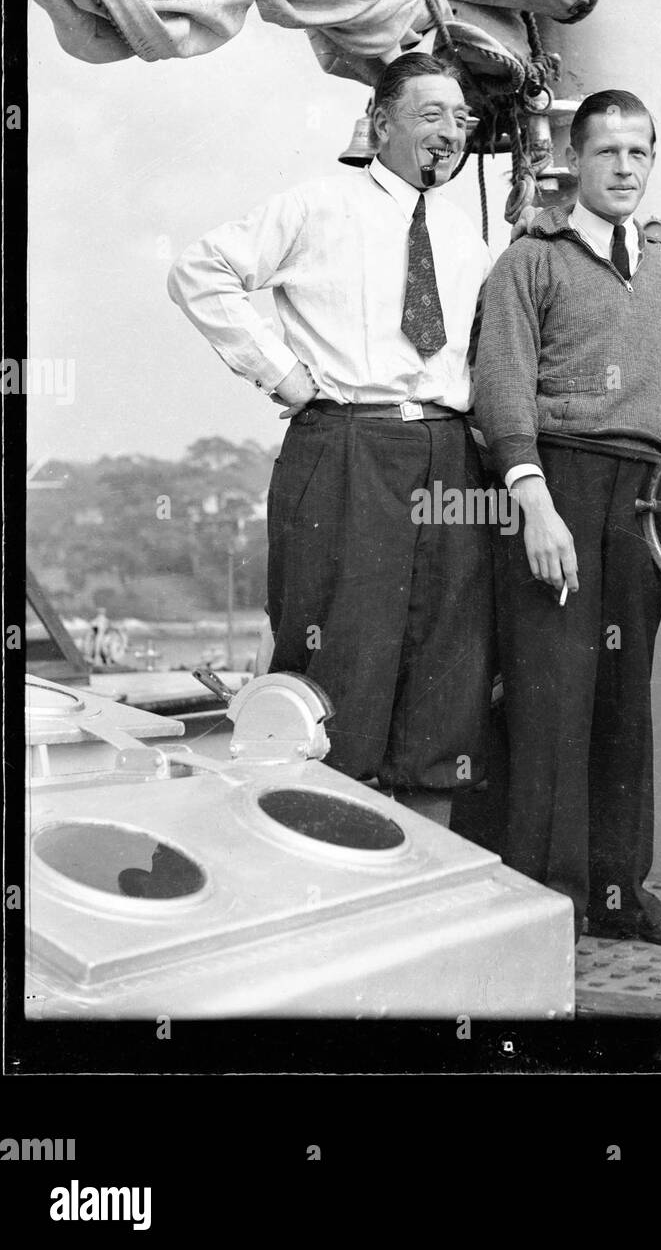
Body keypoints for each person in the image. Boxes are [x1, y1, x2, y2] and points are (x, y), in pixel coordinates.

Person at [474, 89, 661, 946]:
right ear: (573, 160)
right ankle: (548, 910)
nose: (622, 168)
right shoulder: (527, 262)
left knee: (621, 700)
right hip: (554, 490)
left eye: (637, 154)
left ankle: (616, 895)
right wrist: (533, 502)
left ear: (650, 162)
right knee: (548, 699)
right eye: (605, 152)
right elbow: (501, 386)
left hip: (643, 496)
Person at [167, 53, 494, 793]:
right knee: (339, 652)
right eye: (430, 115)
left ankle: (422, 865)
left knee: (444, 655)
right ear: (379, 123)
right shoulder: (316, 204)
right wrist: (279, 373)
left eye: (461, 119)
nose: (449, 133)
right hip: (346, 442)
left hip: (446, 451)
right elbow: (198, 272)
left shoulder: (468, 240)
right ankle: (325, 849)